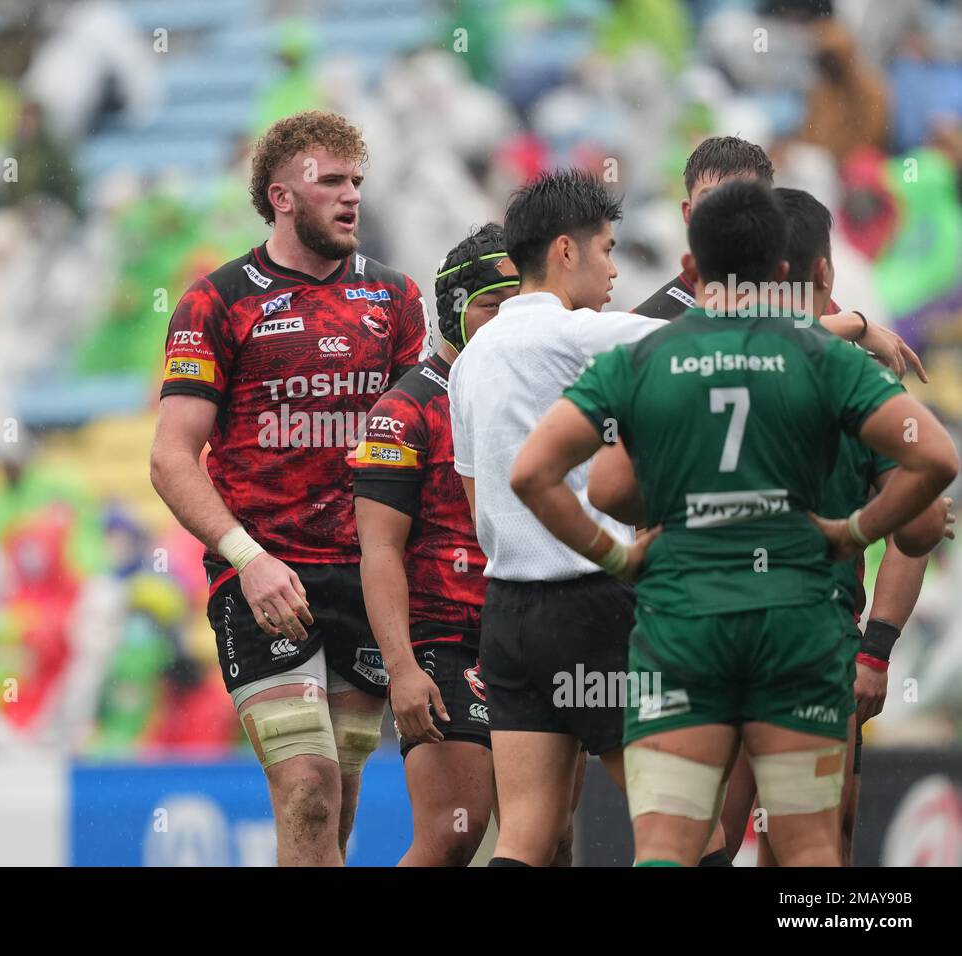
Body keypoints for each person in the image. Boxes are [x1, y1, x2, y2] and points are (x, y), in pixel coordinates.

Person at [511, 180, 958, 866]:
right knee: (808, 844)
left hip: (682, 628)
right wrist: (853, 532)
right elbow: (934, 460)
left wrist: (618, 558)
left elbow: (538, 475)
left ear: (690, 270)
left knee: (668, 844)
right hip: (799, 626)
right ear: (786, 271)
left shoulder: (641, 358)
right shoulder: (827, 358)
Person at [149, 111, 426, 866]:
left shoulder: (397, 300)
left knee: (332, 813)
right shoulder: (217, 301)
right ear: (280, 196)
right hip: (262, 579)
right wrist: (248, 557)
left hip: (366, 579)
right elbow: (171, 458)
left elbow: (415, 450)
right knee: (305, 792)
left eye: (356, 182)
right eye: (330, 181)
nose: (350, 197)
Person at [447, 170, 676, 867]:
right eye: (606, 249)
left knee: (524, 837)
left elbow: (475, 498)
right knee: (678, 823)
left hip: (510, 612)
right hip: (594, 596)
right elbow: (713, 347)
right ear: (566, 253)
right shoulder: (577, 336)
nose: (613, 269)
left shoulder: (468, 361)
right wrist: (846, 325)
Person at [352, 223, 516, 866]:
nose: (503, 323)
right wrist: (402, 671)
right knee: (452, 837)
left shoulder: (530, 394)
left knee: (548, 839)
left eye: (515, 305)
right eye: (489, 307)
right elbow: (380, 551)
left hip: (528, 633)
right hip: (447, 641)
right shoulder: (407, 409)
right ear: (453, 310)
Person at [632, 136, 926, 384]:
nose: (725, 217)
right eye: (710, 200)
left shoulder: (806, 294)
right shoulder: (651, 317)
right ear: (687, 213)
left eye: (744, 200)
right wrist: (852, 325)